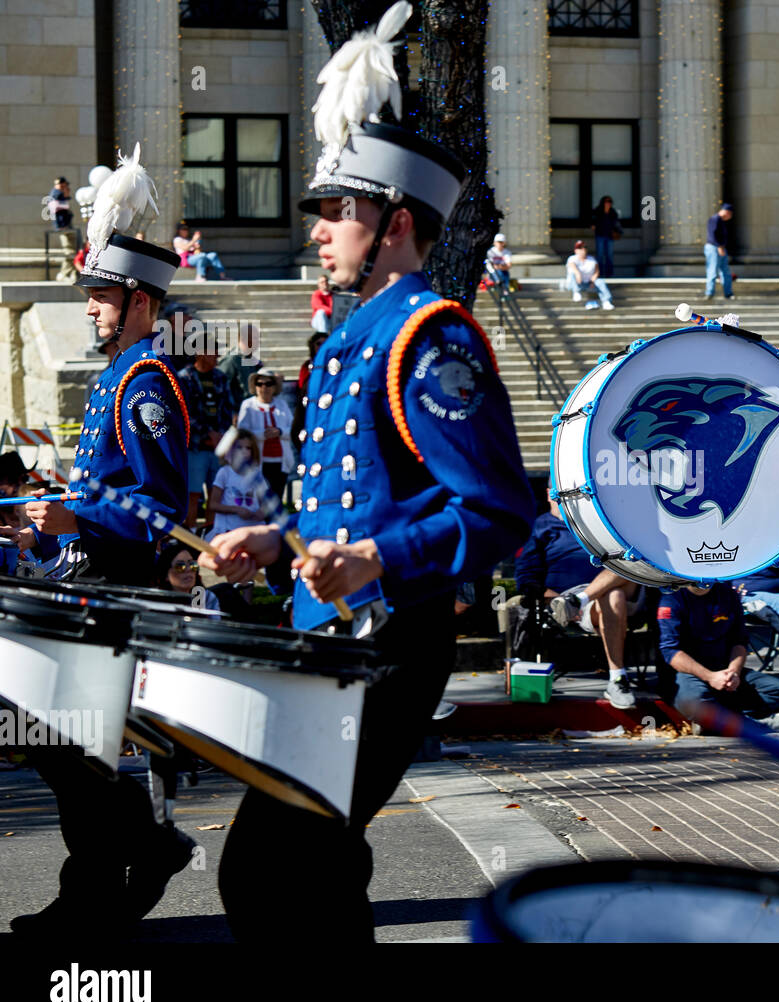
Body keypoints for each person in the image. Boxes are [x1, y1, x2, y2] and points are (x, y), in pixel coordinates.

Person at [199, 22, 534, 943]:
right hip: (334, 641)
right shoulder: (351, 336)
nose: (315, 229)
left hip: (389, 642)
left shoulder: (431, 338)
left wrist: (378, 556)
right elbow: (340, 507)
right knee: (312, 871)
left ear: (394, 224)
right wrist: (278, 542)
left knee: (274, 868)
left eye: (335, 210)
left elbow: (499, 509)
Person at [9, 150, 196, 939]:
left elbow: (160, 510)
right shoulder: (121, 373)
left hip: (122, 600)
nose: (88, 306)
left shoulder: (147, 383)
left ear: (139, 301)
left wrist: (76, 521)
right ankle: (113, 871)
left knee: (58, 739)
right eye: (88, 294)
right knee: (60, 743)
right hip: (89, 588)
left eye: (100, 294)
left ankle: (130, 860)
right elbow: (99, 498)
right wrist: (46, 516)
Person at [513, 499, 645, 709]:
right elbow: (526, 579)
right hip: (568, 598)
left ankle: (579, 600)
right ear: (548, 493)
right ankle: (617, 679)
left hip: (610, 588)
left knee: (629, 562)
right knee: (614, 596)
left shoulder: (597, 521)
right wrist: (555, 600)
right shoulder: (539, 527)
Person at [659, 582, 779, 732]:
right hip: (686, 674)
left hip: (723, 671)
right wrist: (710, 677)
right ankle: (749, 725)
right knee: (695, 701)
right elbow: (671, 651)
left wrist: (734, 673)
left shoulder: (727, 594)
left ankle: (718, 723)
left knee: (777, 689)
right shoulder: (671, 598)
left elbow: (739, 641)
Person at [176, 341, 234, 528]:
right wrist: (207, 434)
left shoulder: (220, 377)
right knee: (193, 493)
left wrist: (221, 435)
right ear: (200, 353)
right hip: (195, 446)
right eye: (213, 352)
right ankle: (190, 534)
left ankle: (210, 532)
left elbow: (228, 409)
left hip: (217, 446)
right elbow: (183, 412)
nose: (217, 357)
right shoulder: (184, 378)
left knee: (216, 492)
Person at [236, 369, 294, 503]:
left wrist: (279, 432)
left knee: (277, 498)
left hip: (280, 462)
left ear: (274, 386)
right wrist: (262, 435)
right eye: (259, 383)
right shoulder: (248, 405)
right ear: (254, 386)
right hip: (258, 462)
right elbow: (242, 434)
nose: (264, 387)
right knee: (260, 501)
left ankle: (274, 524)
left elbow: (292, 430)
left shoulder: (282, 405)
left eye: (268, 384)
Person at [564, 241, 614, 310]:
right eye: (580, 248)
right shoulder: (572, 258)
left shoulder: (592, 259)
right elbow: (572, 267)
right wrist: (578, 274)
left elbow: (597, 271)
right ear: (576, 250)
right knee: (572, 274)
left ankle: (606, 301)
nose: (582, 249)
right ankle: (576, 292)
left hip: (589, 283)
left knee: (600, 281)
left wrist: (593, 279)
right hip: (575, 284)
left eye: (584, 247)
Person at [704, 202, 734, 301]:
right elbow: (713, 234)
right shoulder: (715, 219)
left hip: (720, 248)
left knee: (725, 271)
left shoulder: (720, 221)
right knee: (712, 271)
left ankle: (728, 293)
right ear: (727, 212)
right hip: (714, 248)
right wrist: (720, 247)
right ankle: (709, 293)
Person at [49, 176, 77, 283]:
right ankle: (63, 274)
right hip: (63, 226)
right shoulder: (56, 193)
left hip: (66, 225)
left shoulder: (58, 193)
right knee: (70, 251)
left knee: (72, 251)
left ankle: (71, 273)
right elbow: (54, 206)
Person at [591, 196, 622, 277]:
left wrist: (617, 231)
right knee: (600, 255)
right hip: (600, 235)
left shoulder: (613, 212)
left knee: (609, 256)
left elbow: (617, 223)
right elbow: (593, 221)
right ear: (603, 202)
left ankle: (609, 274)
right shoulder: (597, 211)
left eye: (609, 202)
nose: (608, 203)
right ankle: (599, 274)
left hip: (610, 236)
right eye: (606, 201)